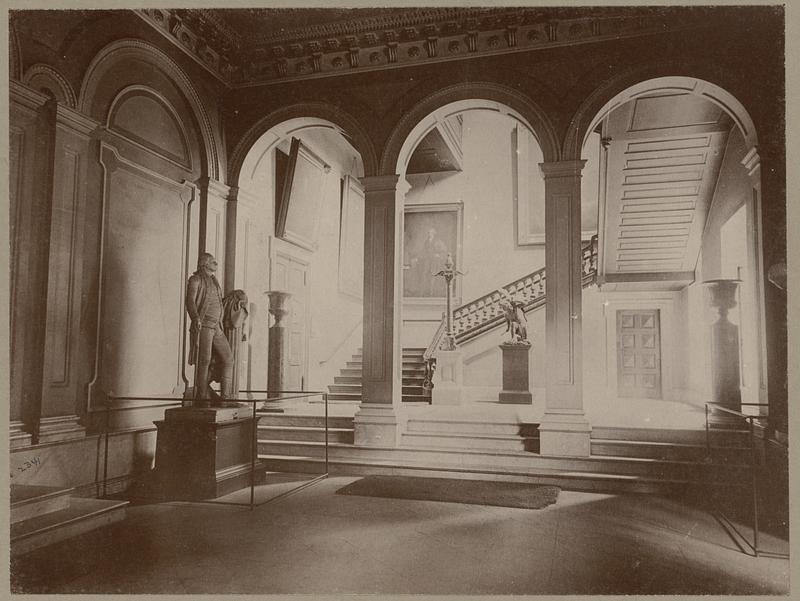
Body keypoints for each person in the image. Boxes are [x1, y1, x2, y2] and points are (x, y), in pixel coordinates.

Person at [185, 253, 233, 403]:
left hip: (216, 326)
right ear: (204, 263)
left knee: (228, 359)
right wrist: (195, 317)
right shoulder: (195, 279)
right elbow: (190, 301)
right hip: (204, 324)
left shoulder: (214, 281)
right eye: (213, 261)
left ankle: (225, 397)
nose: (216, 263)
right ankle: (202, 396)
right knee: (204, 360)